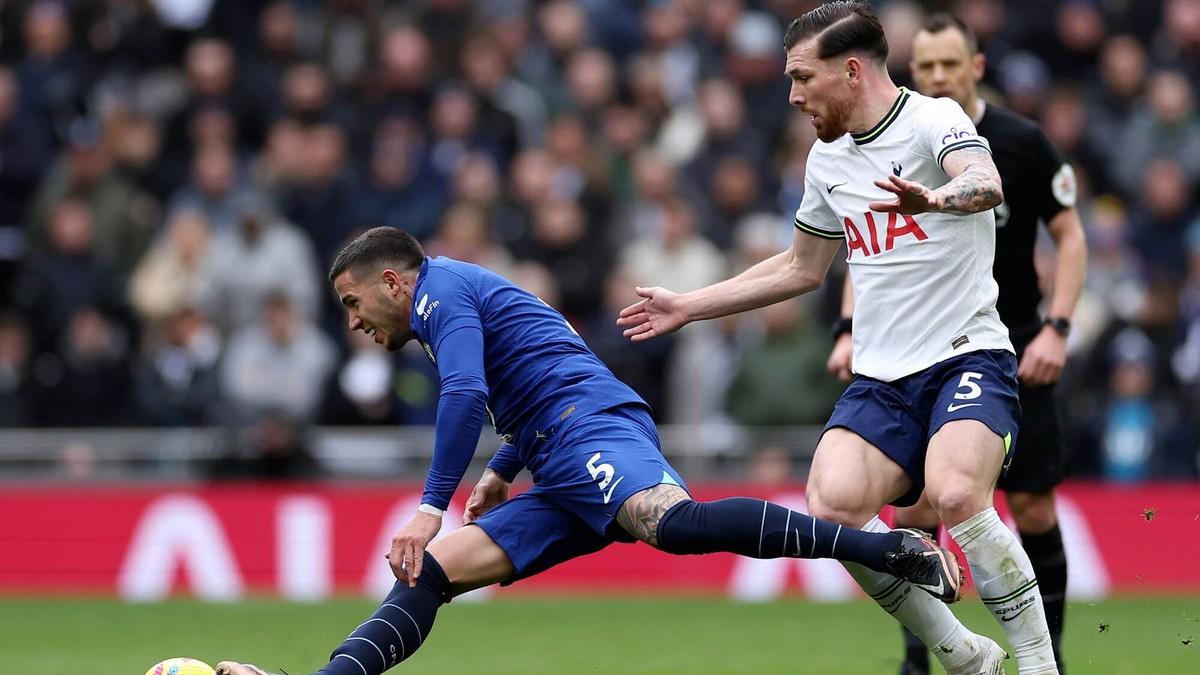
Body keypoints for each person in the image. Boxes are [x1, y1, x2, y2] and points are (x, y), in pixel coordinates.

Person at [215, 226, 962, 675]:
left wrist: (428, 506)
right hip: (556, 442)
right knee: (434, 576)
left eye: (352, 302)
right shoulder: (459, 294)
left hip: (589, 427)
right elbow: (529, 370)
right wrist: (505, 467)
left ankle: (882, 546)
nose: (352, 321)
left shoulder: (440, 295)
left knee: (673, 524)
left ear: (390, 282)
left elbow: (470, 394)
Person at [618, 3, 1058, 674]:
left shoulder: (935, 120)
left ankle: (1037, 662)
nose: (793, 96)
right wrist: (690, 304)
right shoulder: (828, 161)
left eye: (802, 78)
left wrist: (934, 201)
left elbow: (984, 181)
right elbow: (801, 266)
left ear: (850, 71)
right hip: (884, 377)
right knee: (832, 504)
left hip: (967, 353)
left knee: (957, 492)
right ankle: (966, 654)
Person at [824, 14, 1087, 674]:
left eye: (949, 64)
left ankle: (1048, 654)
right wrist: (850, 328)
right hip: (917, 346)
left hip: (1010, 340)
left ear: (976, 66)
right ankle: (924, 657)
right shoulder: (891, 138)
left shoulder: (1020, 143)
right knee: (915, 506)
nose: (937, 75)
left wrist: (1057, 327)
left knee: (1025, 502)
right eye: (926, 65)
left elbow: (1072, 237)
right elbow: (868, 251)